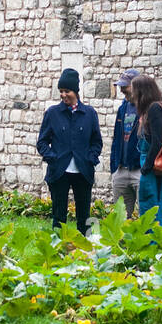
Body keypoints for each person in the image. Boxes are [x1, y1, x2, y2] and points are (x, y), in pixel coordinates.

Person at [36, 68, 102, 235]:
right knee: (58, 217)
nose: (64, 95)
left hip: (83, 172)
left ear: (76, 91)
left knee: (84, 217)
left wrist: (90, 158)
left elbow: (96, 142)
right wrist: (53, 158)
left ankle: (85, 250)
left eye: (67, 91)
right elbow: (42, 142)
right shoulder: (52, 113)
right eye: (61, 91)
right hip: (59, 173)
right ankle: (58, 250)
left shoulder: (89, 114)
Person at [130, 74, 162, 230]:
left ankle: (157, 245)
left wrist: (147, 166)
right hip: (154, 168)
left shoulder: (155, 109)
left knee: (154, 206)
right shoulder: (150, 110)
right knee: (158, 205)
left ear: (142, 92)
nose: (132, 94)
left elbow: (157, 141)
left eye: (134, 91)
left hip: (157, 169)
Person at [108, 68, 141, 218]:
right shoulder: (123, 108)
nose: (122, 90)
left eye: (125, 87)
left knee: (146, 218)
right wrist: (114, 168)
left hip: (140, 170)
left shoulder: (148, 108)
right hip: (121, 169)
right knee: (120, 220)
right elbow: (116, 139)